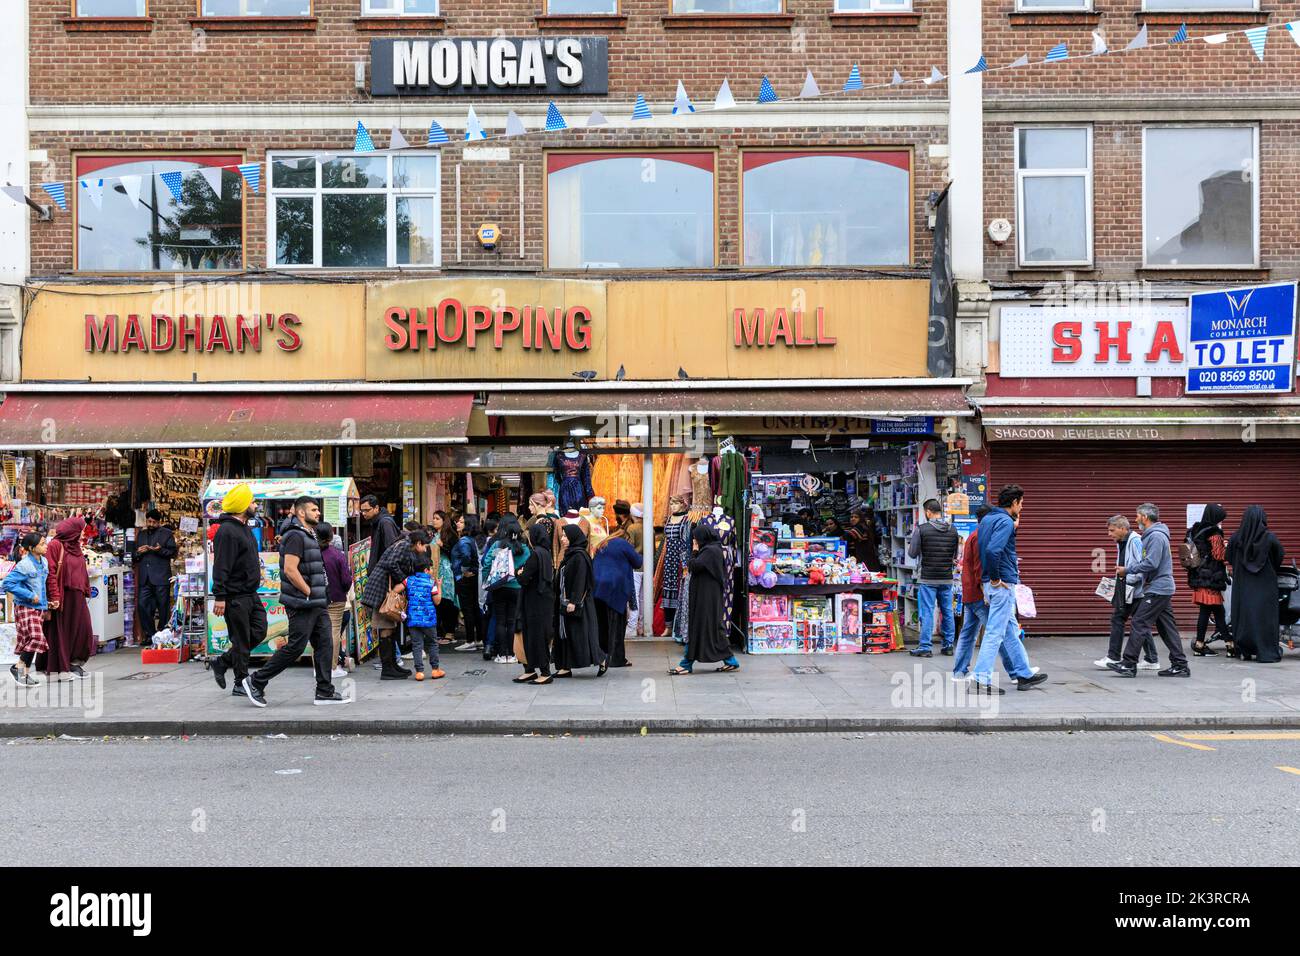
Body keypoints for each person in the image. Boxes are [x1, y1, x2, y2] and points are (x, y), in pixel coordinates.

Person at [242, 497, 349, 707]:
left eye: (318, 510)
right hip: (303, 603)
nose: (318, 513)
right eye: (314, 510)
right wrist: (308, 592)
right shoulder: (295, 536)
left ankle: (325, 691)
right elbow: (291, 569)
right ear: (301, 513)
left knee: (325, 644)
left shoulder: (309, 535)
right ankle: (256, 681)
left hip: (317, 603)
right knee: (295, 647)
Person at [973, 485, 1048, 693]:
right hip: (1001, 584)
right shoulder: (1005, 521)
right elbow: (993, 550)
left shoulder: (988, 519)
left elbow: (988, 549)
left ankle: (1023, 674)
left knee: (1010, 631)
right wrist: (996, 578)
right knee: (995, 633)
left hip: (991, 583)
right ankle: (980, 679)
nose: (1022, 507)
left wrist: (988, 579)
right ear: (1014, 502)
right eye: (1021, 503)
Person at [952, 507, 1037, 683]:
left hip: (970, 590)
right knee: (1000, 632)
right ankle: (1016, 672)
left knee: (970, 632)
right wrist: (987, 589)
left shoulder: (974, 536)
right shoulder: (980, 537)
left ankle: (960, 671)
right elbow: (979, 566)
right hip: (979, 592)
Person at [1110, 503, 1189, 678]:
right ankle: (1180, 664)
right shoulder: (1153, 536)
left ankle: (1129, 663)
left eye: (1137, 516)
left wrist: (1127, 570)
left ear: (1145, 517)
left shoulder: (1156, 537)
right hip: (1160, 588)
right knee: (1167, 628)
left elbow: (1151, 563)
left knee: (1139, 622)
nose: (1136, 519)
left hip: (1158, 588)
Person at [208, 484, 265, 699]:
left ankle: (222, 662)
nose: (255, 505)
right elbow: (221, 565)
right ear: (242, 505)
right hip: (235, 595)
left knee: (259, 632)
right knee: (241, 640)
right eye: (252, 502)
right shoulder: (227, 531)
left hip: (251, 593)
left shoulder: (244, 528)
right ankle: (240, 682)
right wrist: (220, 596)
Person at [668, 523, 738, 675]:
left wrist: (694, 551)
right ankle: (731, 661)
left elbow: (694, 565)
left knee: (699, 627)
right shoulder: (712, 549)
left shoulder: (710, 551)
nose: (695, 541)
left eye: (696, 539)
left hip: (706, 598)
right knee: (711, 628)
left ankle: (686, 663)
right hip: (707, 596)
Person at [361, 530, 431, 680]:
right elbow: (391, 563)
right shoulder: (404, 546)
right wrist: (404, 580)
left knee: (390, 628)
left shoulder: (406, 545)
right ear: (418, 543)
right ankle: (387, 669)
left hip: (386, 589)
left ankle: (392, 665)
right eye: (424, 546)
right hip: (383, 590)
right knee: (386, 627)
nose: (425, 549)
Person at [1095, 515, 1159, 671]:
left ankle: (1114, 657)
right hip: (1128, 588)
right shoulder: (1121, 541)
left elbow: (1143, 566)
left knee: (1122, 620)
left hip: (1134, 590)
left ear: (1123, 528)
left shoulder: (1135, 541)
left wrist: (1127, 579)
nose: (1109, 534)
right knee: (1138, 623)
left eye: (1112, 530)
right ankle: (1151, 659)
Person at [1227, 504, 1285, 663]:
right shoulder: (1270, 538)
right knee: (1265, 619)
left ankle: (1244, 650)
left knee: (1244, 617)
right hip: (1266, 586)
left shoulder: (1236, 538)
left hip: (1242, 587)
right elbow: (1278, 558)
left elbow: (1229, 557)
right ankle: (1265, 651)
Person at [41, 516, 96, 681]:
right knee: (62, 631)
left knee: (83, 630)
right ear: (73, 532)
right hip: (62, 597)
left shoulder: (76, 547)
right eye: (80, 531)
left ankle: (73, 661)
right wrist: (55, 596)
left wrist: (85, 589)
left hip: (77, 596)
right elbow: (50, 573)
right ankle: (61, 667)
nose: (83, 534)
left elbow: (81, 571)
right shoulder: (55, 546)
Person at [907, 498, 959, 657]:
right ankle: (949, 645)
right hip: (946, 578)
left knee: (927, 611)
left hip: (928, 578)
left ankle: (925, 647)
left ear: (928, 512)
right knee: (947, 611)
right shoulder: (953, 530)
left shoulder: (921, 529)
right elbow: (955, 555)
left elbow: (912, 553)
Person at [554, 523, 605, 678]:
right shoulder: (570, 554)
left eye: (565, 536)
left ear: (573, 537)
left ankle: (601, 659)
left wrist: (574, 602)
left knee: (581, 635)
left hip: (576, 605)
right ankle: (565, 666)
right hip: (565, 602)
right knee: (567, 634)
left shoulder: (579, 556)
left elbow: (581, 580)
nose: (562, 539)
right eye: (562, 535)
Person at [480, 513, 530, 664]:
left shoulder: (497, 546)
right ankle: (513, 654)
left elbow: (486, 562)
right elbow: (528, 567)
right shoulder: (524, 548)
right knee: (512, 621)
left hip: (499, 587)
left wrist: (488, 579)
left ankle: (502, 654)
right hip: (517, 587)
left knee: (500, 621)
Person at [593, 522, 642, 668]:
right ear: (626, 537)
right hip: (615, 588)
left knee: (602, 624)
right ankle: (616, 659)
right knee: (617, 625)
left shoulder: (603, 543)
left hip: (597, 587)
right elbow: (638, 562)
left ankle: (602, 656)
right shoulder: (623, 543)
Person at [3, 532, 49, 687]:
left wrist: (47, 602)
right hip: (26, 607)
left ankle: (23, 674)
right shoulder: (24, 565)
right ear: (32, 548)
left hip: (40, 607)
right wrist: (29, 595)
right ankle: (18, 668)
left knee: (31, 640)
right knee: (36, 638)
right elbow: (7, 583)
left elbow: (42, 585)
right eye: (42, 544)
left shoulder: (44, 562)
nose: (46, 546)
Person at [1186, 504, 1231, 658]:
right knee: (1209, 612)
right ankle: (1203, 645)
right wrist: (1227, 547)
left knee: (1216, 611)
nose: (1220, 522)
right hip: (1211, 578)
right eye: (1219, 519)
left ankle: (1228, 643)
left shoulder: (1194, 530)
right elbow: (1219, 556)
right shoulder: (1214, 533)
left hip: (1198, 575)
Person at [514, 523, 556, 685]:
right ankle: (531, 670)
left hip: (534, 602)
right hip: (543, 601)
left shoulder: (535, 554)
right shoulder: (546, 553)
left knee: (535, 636)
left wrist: (519, 573)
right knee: (538, 636)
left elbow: (524, 577)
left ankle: (544, 672)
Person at [133, 509, 177, 646]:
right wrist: (138, 553)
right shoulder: (141, 534)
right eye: (149, 521)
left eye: (153, 522)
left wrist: (158, 550)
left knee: (162, 606)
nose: (151, 524)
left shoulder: (167, 534)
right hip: (145, 578)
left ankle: (163, 634)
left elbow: (172, 552)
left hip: (161, 576)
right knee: (142, 605)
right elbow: (135, 555)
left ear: (159, 522)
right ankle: (150, 634)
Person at [318, 522, 353, 680]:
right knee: (334, 632)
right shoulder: (338, 555)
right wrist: (343, 591)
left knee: (318, 632)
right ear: (331, 536)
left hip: (316, 597)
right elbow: (346, 580)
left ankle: (317, 668)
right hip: (336, 597)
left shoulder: (311, 553)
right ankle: (331, 667)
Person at [403, 553, 445, 682]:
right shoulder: (430, 582)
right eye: (431, 568)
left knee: (417, 645)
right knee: (432, 643)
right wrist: (439, 586)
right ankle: (435, 670)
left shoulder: (408, 580)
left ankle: (419, 672)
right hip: (428, 620)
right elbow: (437, 601)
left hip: (413, 619)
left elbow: (397, 589)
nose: (432, 571)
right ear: (426, 569)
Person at [451, 514, 483, 653]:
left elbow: (465, 557)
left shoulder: (464, 540)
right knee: (474, 607)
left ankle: (470, 640)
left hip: (464, 578)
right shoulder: (471, 539)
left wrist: (464, 571)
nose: (458, 523)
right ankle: (479, 639)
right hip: (473, 577)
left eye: (461, 522)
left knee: (467, 609)